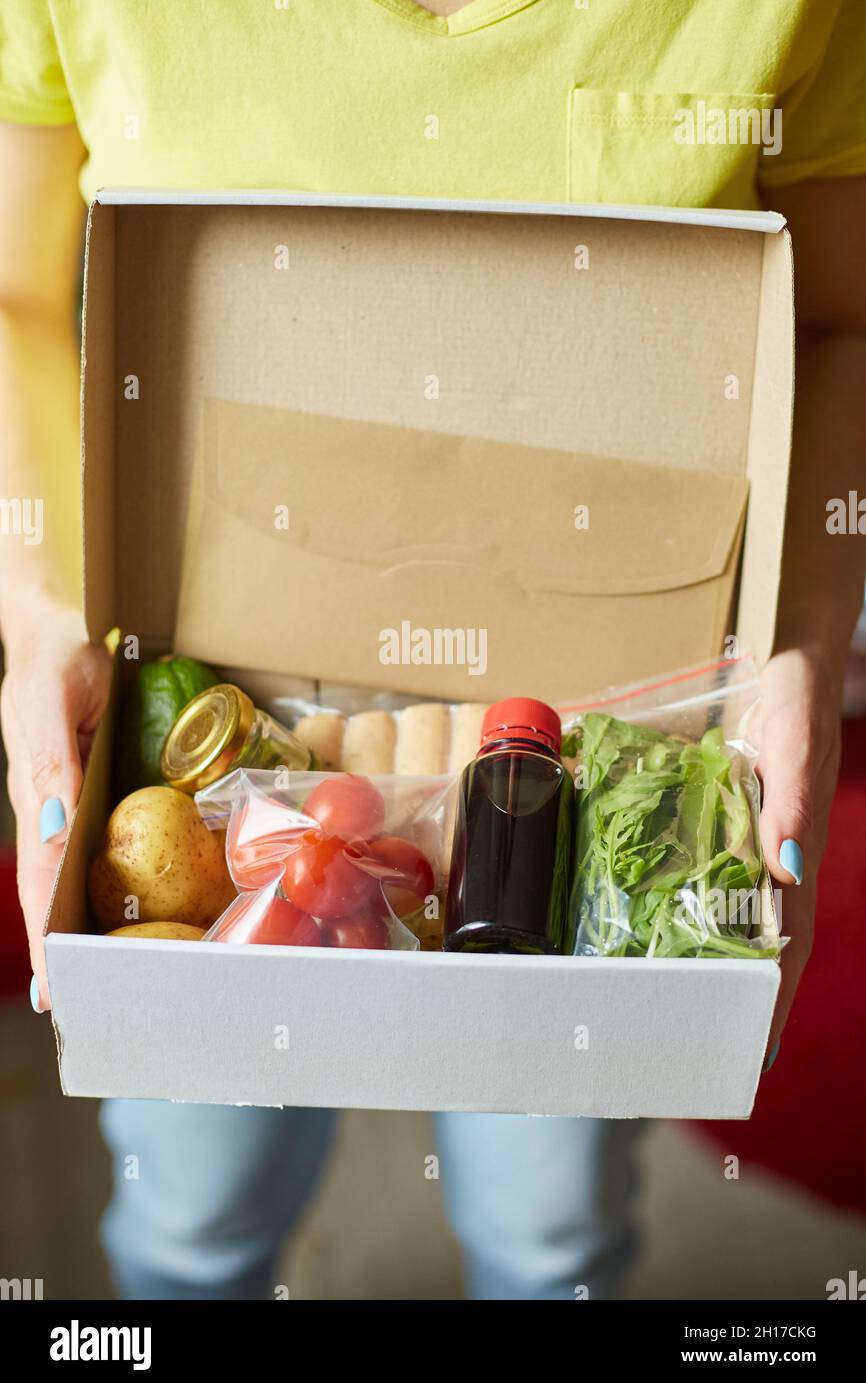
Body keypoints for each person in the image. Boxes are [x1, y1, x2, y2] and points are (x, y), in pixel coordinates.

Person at [1, 0, 864, 1301]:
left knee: (550, 1232)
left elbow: (840, 320)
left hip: (608, 703)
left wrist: (792, 654)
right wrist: (40, 625)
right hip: (217, 661)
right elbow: (14, 294)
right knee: (192, 1206)